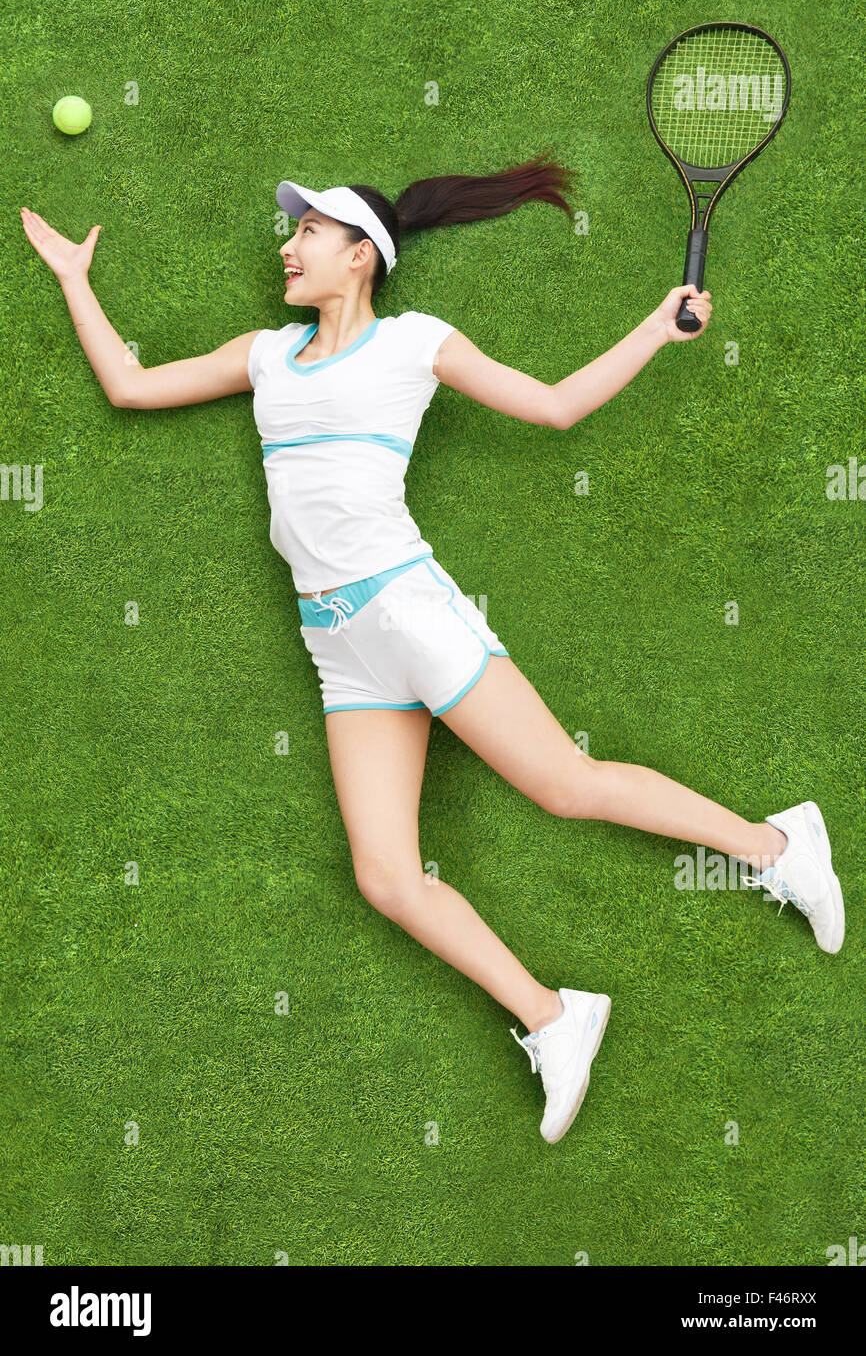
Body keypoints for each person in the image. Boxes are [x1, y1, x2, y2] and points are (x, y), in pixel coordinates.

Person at [20, 154, 844, 1145]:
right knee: (385, 877)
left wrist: (656, 328)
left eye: (307, 235)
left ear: (361, 256)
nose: (286, 248)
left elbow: (551, 404)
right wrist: (75, 279)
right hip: (335, 640)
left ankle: (776, 845)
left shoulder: (415, 343)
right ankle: (553, 1015)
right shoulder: (264, 356)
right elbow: (130, 385)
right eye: (292, 235)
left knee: (563, 784)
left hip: (407, 612)